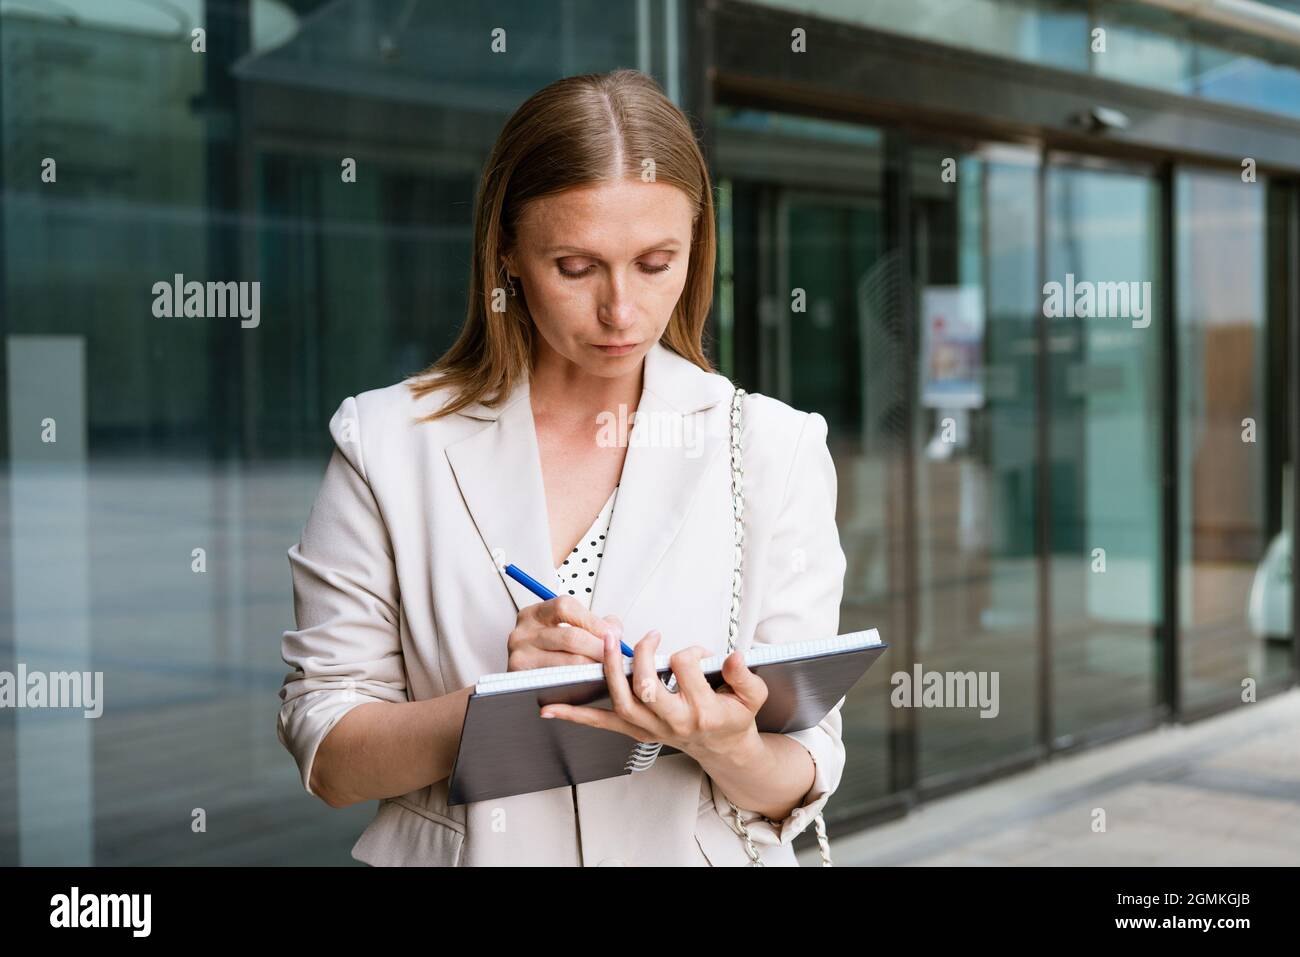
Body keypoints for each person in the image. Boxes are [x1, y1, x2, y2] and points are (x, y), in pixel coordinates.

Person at [276, 69, 848, 866]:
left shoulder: (773, 448)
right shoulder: (387, 441)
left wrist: (729, 745)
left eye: (656, 262)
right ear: (506, 251)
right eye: (576, 268)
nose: (622, 310)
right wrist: (494, 707)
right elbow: (331, 756)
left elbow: (801, 769)